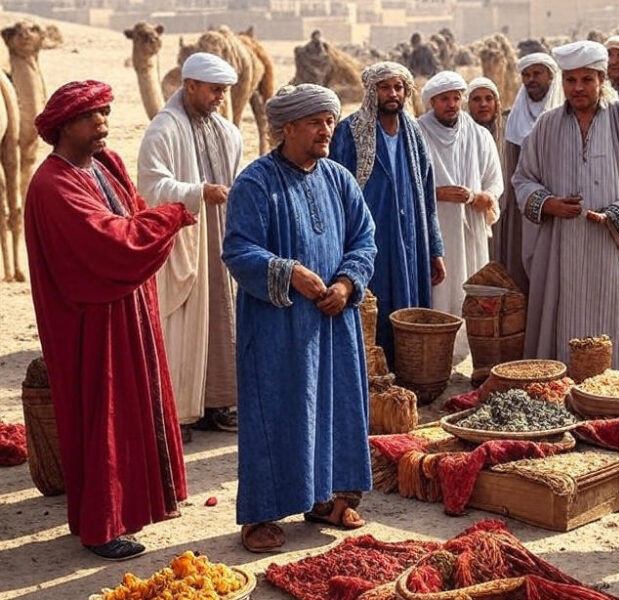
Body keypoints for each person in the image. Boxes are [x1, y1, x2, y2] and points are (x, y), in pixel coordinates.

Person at [24, 80, 194, 560]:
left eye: (105, 112)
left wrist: (155, 219)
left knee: (133, 409)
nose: (104, 124)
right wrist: (173, 214)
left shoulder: (105, 164)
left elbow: (131, 218)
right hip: (90, 322)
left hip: (127, 309)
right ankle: (100, 527)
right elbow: (114, 242)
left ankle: (130, 510)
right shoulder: (53, 184)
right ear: (65, 126)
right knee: (104, 415)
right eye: (93, 117)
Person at [222, 84, 377, 553]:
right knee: (279, 410)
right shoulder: (254, 183)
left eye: (330, 121)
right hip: (278, 328)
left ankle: (326, 500)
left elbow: (364, 239)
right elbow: (238, 250)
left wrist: (347, 283)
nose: (326, 130)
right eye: (315, 122)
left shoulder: (338, 179)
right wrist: (290, 273)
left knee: (335, 406)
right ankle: (261, 515)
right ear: (287, 128)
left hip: (333, 320)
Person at [512, 41, 619, 370]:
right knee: (565, 320)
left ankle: (612, 387)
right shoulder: (547, 125)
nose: (578, 88)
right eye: (571, 80)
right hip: (563, 248)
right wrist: (548, 203)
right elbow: (523, 179)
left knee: (613, 325)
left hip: (612, 247)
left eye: (586, 80)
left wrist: (616, 213)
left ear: (602, 80)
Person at [137, 52, 243, 441]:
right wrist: (198, 193)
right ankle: (176, 413)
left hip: (222, 236)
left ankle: (218, 404)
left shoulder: (229, 132)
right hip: (184, 240)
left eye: (224, 91)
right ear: (191, 86)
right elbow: (150, 187)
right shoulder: (163, 130)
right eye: (215, 90)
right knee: (181, 327)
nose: (220, 98)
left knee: (222, 321)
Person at [331, 62, 444, 368]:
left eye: (398, 88)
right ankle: (373, 372)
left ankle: (408, 370)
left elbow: (428, 193)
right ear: (371, 92)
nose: (392, 94)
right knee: (372, 303)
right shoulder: (349, 132)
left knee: (410, 306)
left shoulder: (414, 133)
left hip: (411, 237)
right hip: (370, 237)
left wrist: (435, 249)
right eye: (385, 88)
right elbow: (336, 191)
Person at [418, 71, 503, 316]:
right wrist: (435, 193)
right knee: (439, 290)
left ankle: (467, 347)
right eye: (444, 99)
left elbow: (494, 182)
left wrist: (478, 197)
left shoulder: (479, 134)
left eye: (456, 98)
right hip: (435, 225)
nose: (451, 104)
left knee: (471, 285)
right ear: (432, 102)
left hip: (471, 225)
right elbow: (407, 184)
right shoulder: (417, 133)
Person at [496, 53, 563, 292]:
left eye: (537, 73)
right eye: (526, 74)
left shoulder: (563, 114)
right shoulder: (514, 118)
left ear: (551, 76)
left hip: (560, 204)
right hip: (523, 205)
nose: (531, 79)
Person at [467, 76, 505, 156]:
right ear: (468, 105)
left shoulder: (510, 133)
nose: (483, 104)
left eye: (489, 99)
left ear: (496, 103)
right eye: (477, 99)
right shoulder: (462, 136)